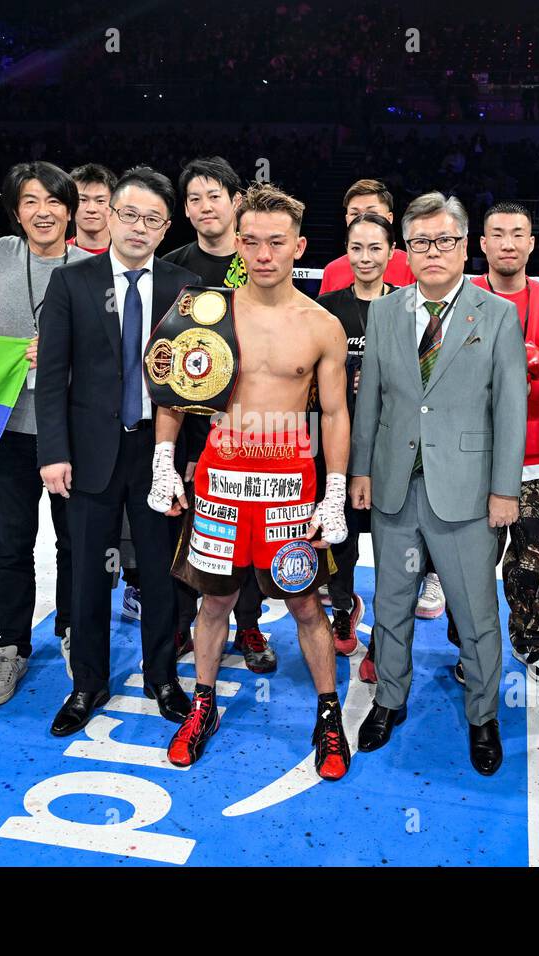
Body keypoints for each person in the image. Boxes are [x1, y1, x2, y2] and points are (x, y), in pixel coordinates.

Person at [151, 182, 353, 779]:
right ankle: (204, 706)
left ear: (299, 246)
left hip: (290, 481)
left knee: (306, 604)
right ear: (239, 244)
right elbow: (173, 390)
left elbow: (337, 413)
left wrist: (335, 492)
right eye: (254, 242)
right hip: (219, 480)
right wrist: (164, 461)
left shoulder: (322, 325)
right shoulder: (204, 310)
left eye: (277, 242)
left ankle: (328, 715)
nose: (265, 254)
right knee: (213, 602)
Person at [350, 191, 526, 777]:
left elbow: (510, 409)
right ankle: (388, 702)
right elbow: (370, 401)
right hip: (395, 488)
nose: (432, 253)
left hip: (469, 492)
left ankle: (483, 716)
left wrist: (505, 489)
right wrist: (362, 472)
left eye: (444, 241)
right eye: (421, 242)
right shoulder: (385, 312)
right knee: (392, 603)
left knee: (476, 613)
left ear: (463, 245)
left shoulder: (496, 313)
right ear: (406, 249)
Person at [37, 166, 200, 737]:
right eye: (128, 214)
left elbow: (195, 383)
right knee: (88, 574)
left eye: (151, 219)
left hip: (158, 454)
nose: (138, 227)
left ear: (164, 228)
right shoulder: (72, 283)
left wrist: (183, 460)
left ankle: (162, 677)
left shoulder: (187, 289)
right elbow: (52, 377)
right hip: (88, 457)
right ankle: (88, 683)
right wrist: (53, 452)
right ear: (108, 216)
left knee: (158, 573)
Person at [0, 161, 94, 704]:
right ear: (16, 211)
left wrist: (57, 358)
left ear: (70, 209)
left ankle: (73, 631)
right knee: (11, 544)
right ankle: (12, 648)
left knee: (73, 541)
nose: (42, 212)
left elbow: (106, 353)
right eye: (29, 201)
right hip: (5, 429)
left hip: (68, 429)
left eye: (53, 200)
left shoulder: (94, 268)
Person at [161, 156, 276, 673]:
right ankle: (190, 624)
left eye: (214, 195)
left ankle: (249, 624)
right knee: (194, 535)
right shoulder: (174, 268)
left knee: (251, 532)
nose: (205, 206)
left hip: (255, 429)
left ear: (235, 201)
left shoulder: (261, 259)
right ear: (185, 210)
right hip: (191, 429)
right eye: (193, 198)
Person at [472, 201, 539, 685]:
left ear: (531, 243)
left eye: (518, 234)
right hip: (472, 462)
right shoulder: (460, 298)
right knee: (468, 566)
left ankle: (534, 644)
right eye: (498, 234)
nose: (508, 243)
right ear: (482, 243)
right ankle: (469, 648)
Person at [316, 211, 397, 668]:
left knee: (391, 546)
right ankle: (344, 611)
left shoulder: (409, 305)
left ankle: (385, 636)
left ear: (390, 252)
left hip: (392, 450)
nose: (365, 258)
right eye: (357, 248)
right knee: (339, 539)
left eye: (375, 248)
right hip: (340, 445)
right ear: (346, 252)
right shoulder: (326, 307)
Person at [317, 179, 416, 295]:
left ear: (389, 219)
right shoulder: (333, 271)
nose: (363, 220)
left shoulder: (412, 265)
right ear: (347, 220)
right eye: (355, 214)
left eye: (372, 214)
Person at [68, 163, 116, 255]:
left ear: (113, 205)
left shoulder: (128, 257)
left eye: (100, 201)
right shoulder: (58, 255)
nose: (91, 209)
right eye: (82, 200)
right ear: (70, 204)